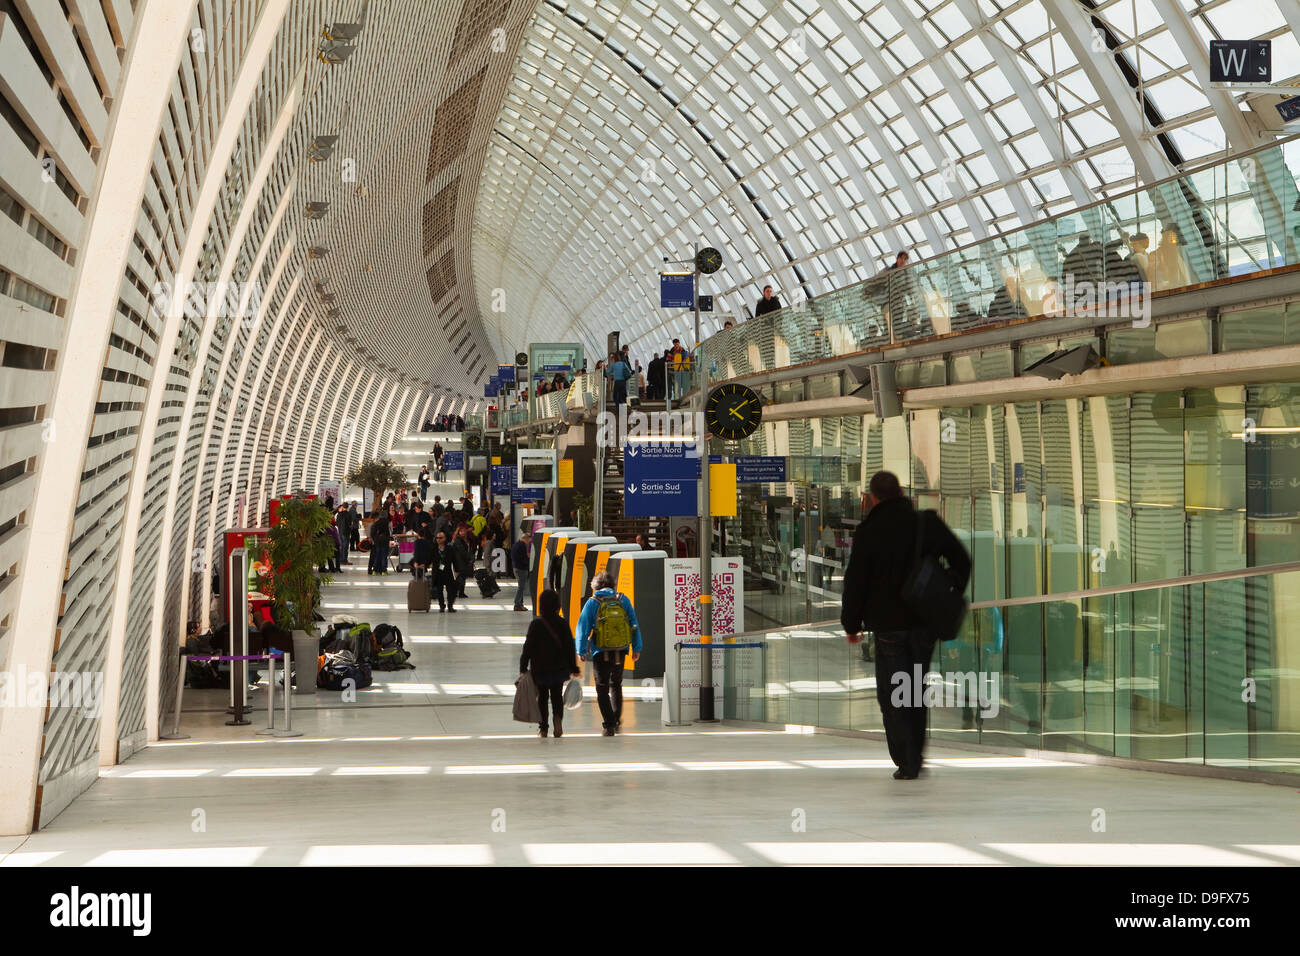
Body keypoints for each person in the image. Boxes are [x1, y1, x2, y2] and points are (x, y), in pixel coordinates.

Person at [840, 471, 971, 780]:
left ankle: (906, 758)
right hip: (925, 623)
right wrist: (948, 588)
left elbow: (855, 582)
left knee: (892, 694)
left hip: (888, 627)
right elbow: (962, 560)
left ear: (872, 498)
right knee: (914, 687)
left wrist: (851, 624)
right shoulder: (926, 523)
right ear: (901, 491)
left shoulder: (869, 531)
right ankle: (916, 755)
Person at [575, 570, 643, 736]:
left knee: (602, 688)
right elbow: (634, 624)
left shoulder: (593, 602)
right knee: (616, 685)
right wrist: (637, 647)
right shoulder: (622, 599)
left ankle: (609, 725)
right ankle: (616, 720)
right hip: (621, 650)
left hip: (600, 651)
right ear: (613, 584)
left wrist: (581, 650)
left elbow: (583, 628)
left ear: (595, 587)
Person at [519, 589, 582, 738]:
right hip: (559, 668)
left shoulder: (536, 624)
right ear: (557, 605)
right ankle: (558, 719)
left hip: (540, 668)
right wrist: (574, 667)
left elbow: (527, 647)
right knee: (556, 696)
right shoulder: (562, 623)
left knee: (542, 697)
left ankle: (544, 728)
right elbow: (569, 647)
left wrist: (523, 667)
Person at [432, 529, 458, 612]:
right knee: (439, 590)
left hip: (447, 571)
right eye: (437, 538)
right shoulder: (434, 549)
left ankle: (450, 606)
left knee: (450, 590)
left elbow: (455, 560)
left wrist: (456, 570)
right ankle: (441, 606)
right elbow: (428, 559)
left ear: (445, 538)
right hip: (437, 572)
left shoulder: (450, 549)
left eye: (440, 538)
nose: (438, 539)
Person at [511, 530, 532, 612]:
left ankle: (520, 604)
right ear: (526, 539)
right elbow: (523, 558)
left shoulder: (515, 544)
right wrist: (528, 561)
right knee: (521, 587)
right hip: (521, 569)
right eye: (529, 541)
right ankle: (517, 604)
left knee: (521, 586)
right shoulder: (522, 545)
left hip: (515, 568)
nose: (529, 543)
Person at [367, 512, 391, 576]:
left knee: (377, 556)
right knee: (384, 556)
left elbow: (372, 534)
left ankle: (375, 570)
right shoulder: (386, 523)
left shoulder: (375, 524)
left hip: (377, 542)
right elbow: (388, 534)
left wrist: (375, 540)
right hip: (384, 542)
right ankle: (383, 571)